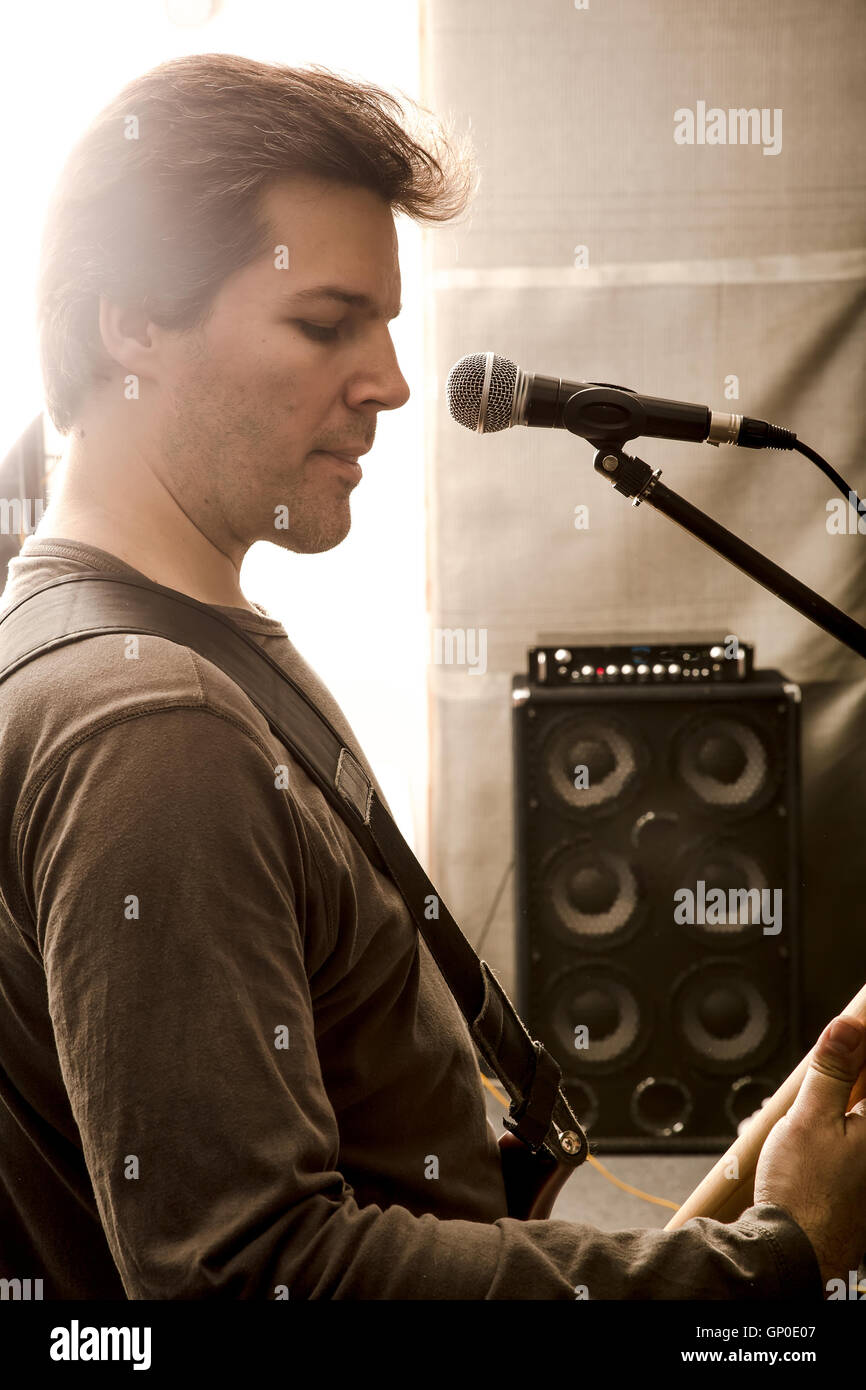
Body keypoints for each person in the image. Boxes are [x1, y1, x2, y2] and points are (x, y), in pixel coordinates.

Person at [0, 51, 863, 1301]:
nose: (393, 384)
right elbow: (252, 1276)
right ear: (129, 320)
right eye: (324, 322)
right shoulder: (150, 719)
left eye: (388, 325)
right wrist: (771, 1262)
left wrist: (726, 1215)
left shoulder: (152, 646)